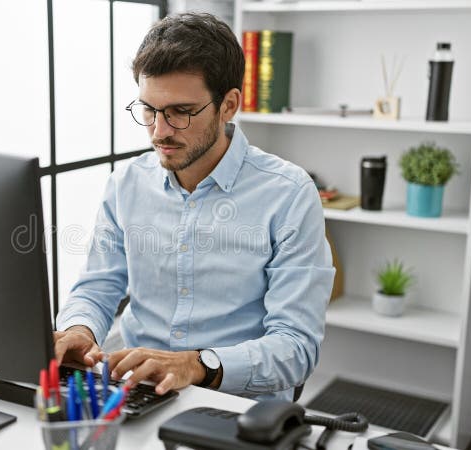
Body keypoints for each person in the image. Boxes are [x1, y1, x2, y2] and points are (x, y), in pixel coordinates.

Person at [54, 12, 334, 402]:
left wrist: (198, 365)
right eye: (149, 109)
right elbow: (98, 286)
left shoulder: (289, 194)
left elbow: (296, 347)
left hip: (234, 404)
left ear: (229, 105)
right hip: (136, 392)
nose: (159, 131)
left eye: (180, 112)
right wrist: (79, 330)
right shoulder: (126, 183)